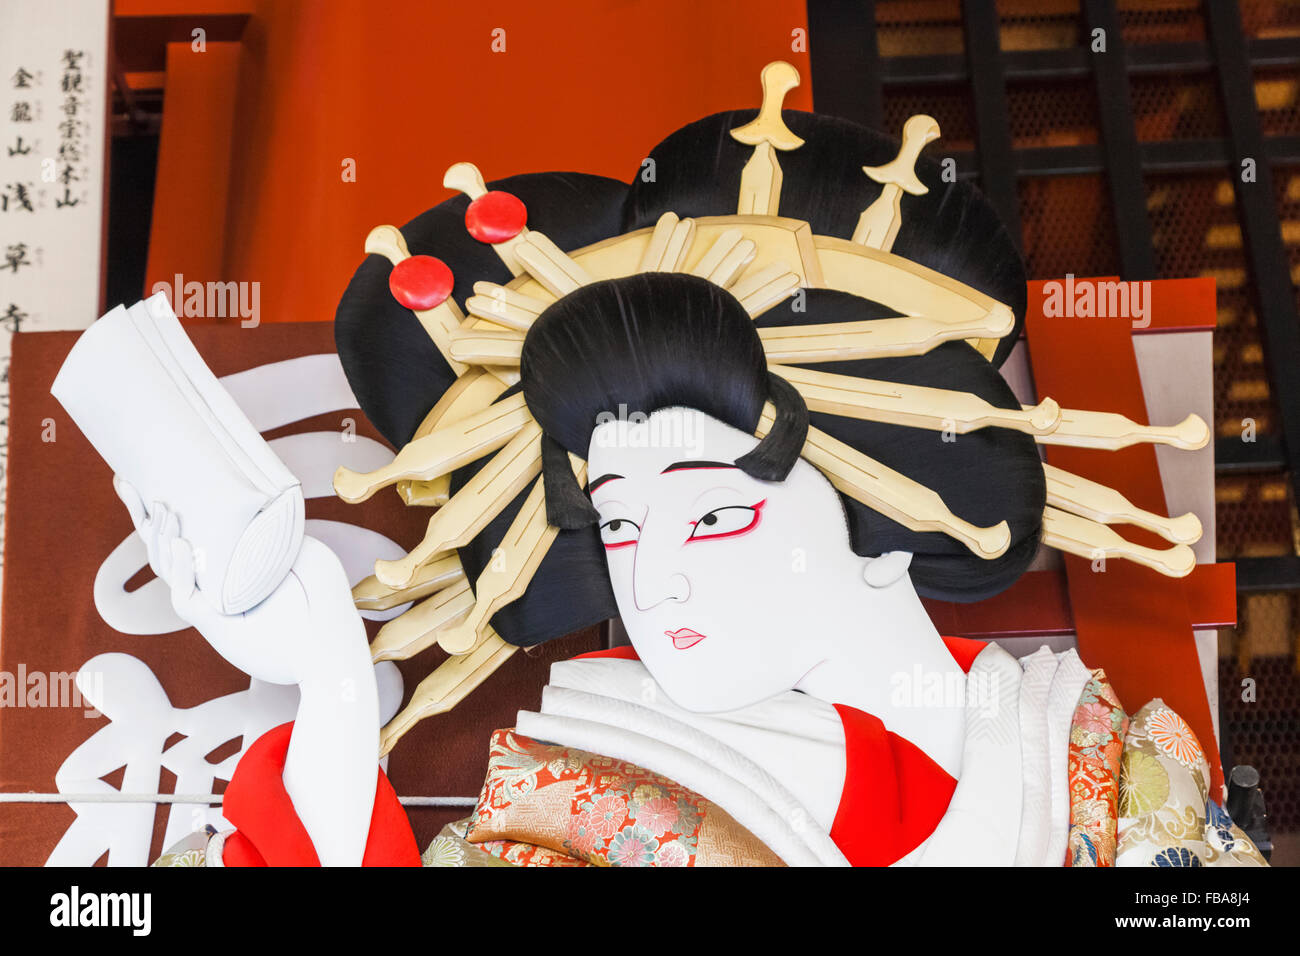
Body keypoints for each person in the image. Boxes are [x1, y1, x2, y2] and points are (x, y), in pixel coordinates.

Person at [127, 64, 1263, 867]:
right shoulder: (580, 800)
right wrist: (330, 688)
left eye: (714, 516)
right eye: (620, 524)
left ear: (887, 511)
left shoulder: (1103, 775)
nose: (655, 582)